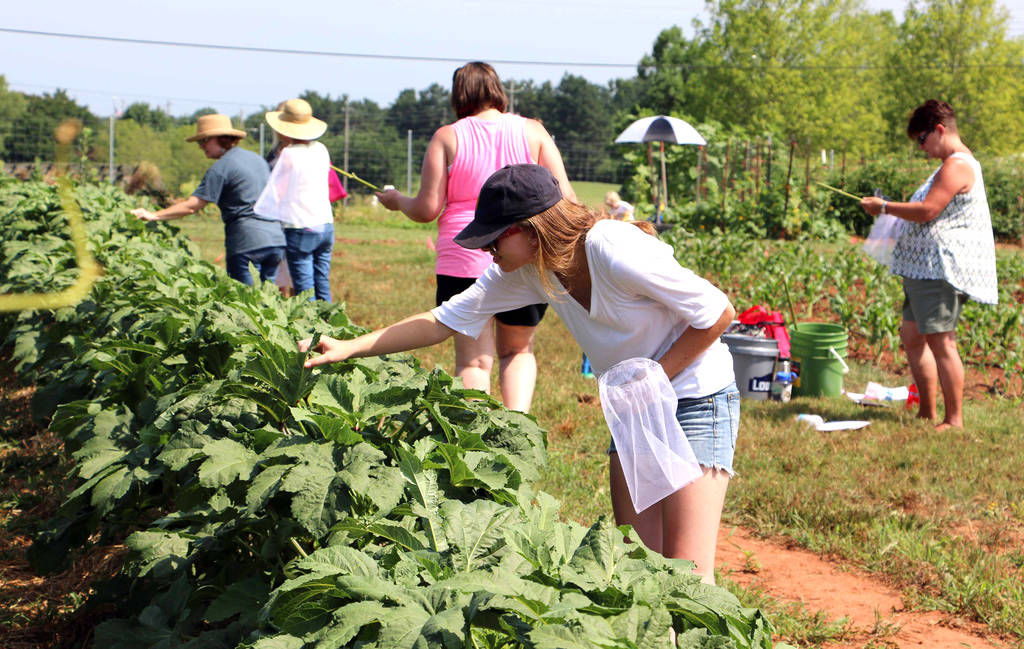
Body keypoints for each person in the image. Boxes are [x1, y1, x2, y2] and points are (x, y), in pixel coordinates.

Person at [301, 164, 738, 583]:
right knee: (637, 565)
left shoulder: (611, 248)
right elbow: (442, 320)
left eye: (494, 240)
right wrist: (348, 349)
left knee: (689, 574)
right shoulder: (530, 270)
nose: (487, 252)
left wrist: (656, 378)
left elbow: (718, 313)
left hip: (698, 398)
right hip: (636, 405)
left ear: (531, 230)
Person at [375, 62, 576, 414]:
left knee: (473, 362)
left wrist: (396, 201)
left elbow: (426, 208)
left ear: (459, 95)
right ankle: (517, 432)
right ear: (497, 90)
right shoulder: (534, 132)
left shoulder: (447, 136)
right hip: (525, 253)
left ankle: (476, 437)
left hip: (464, 255)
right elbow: (567, 200)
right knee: (518, 350)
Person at [860, 99, 998, 430]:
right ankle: (927, 411)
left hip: (940, 270)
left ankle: (954, 420)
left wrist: (884, 207)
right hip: (922, 270)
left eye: (922, 140)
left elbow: (927, 210)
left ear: (939, 129)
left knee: (941, 341)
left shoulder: (958, 165)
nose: (922, 149)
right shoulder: (948, 164)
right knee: (912, 336)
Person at [131, 114, 285, 286]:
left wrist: (153, 215)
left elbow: (192, 206)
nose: (201, 147)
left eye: (204, 141)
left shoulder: (221, 168)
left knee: (247, 302)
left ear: (222, 139)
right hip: (276, 240)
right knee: (268, 302)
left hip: (247, 243)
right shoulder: (257, 159)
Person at [254, 98, 336, 302]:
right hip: (325, 223)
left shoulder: (288, 155)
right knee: (322, 280)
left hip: (300, 226)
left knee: (304, 288)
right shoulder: (321, 149)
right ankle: (331, 323)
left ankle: (311, 329)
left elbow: (276, 191)